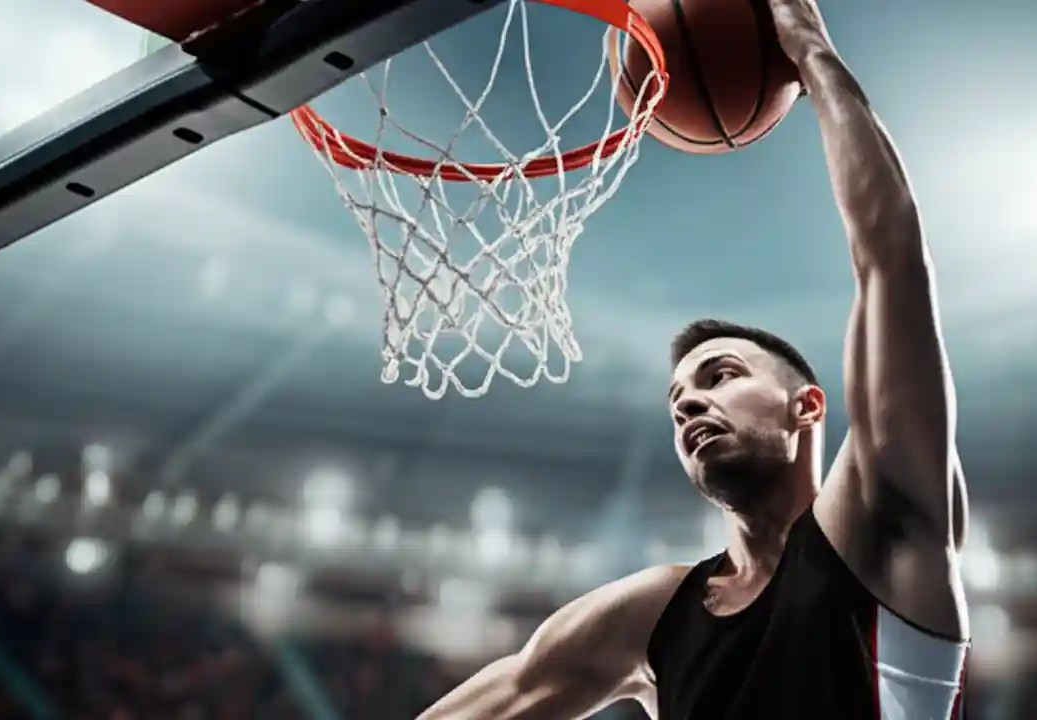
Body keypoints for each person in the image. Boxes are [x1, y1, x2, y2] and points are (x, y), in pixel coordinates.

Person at [415, 1, 971, 718]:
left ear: (807, 405)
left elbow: (890, 255)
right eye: (678, 401)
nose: (688, 404)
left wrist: (813, 55)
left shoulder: (885, 521)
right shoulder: (652, 617)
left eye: (722, 375)